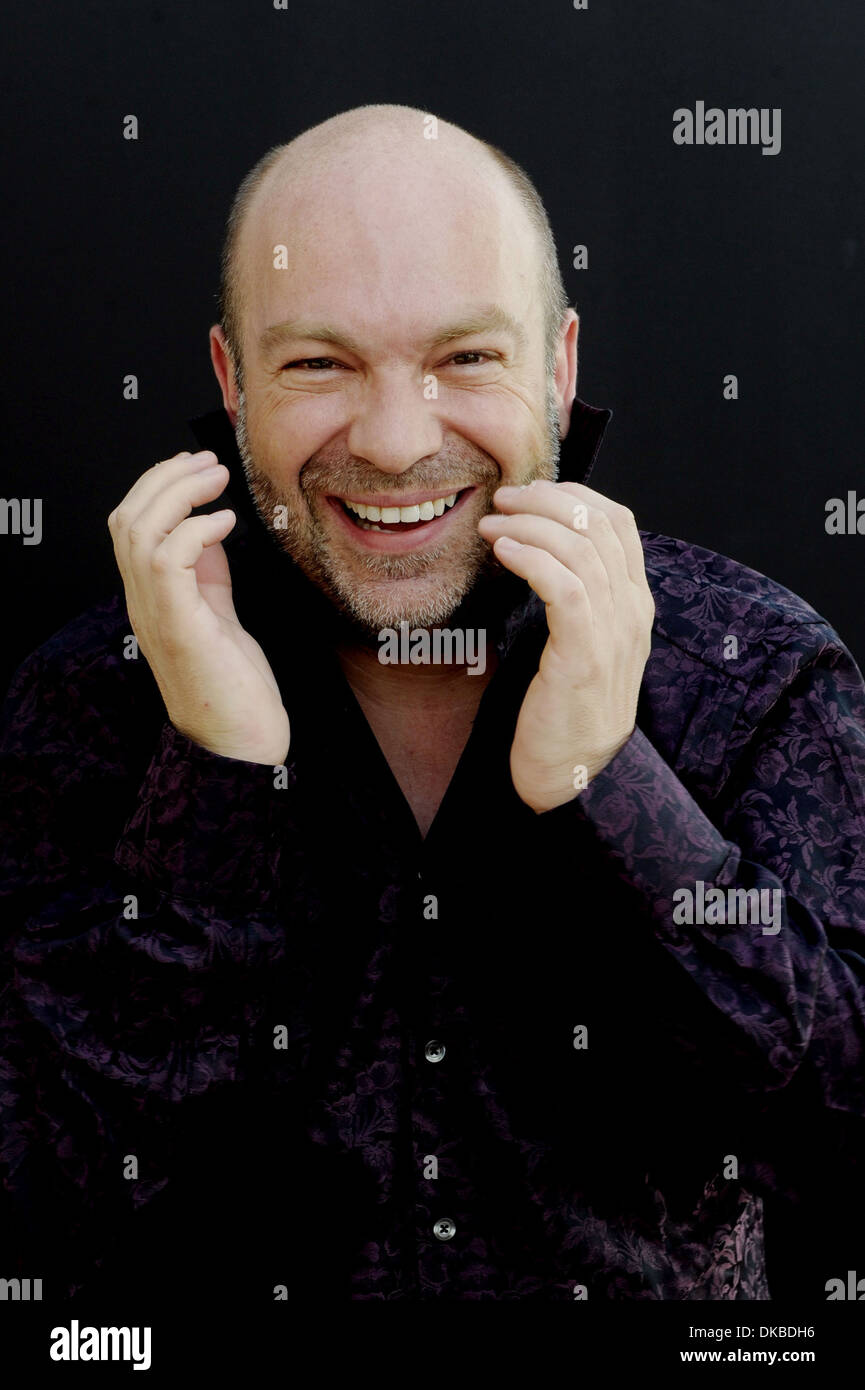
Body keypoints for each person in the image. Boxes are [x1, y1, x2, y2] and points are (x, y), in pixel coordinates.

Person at [1, 104, 864, 1304]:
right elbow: (42, 1201)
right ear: (230, 379)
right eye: (317, 363)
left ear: (556, 367)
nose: (399, 442)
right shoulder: (90, 697)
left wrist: (612, 799)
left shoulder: (755, 673)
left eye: (467, 358)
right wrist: (214, 789)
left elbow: (838, 1142)